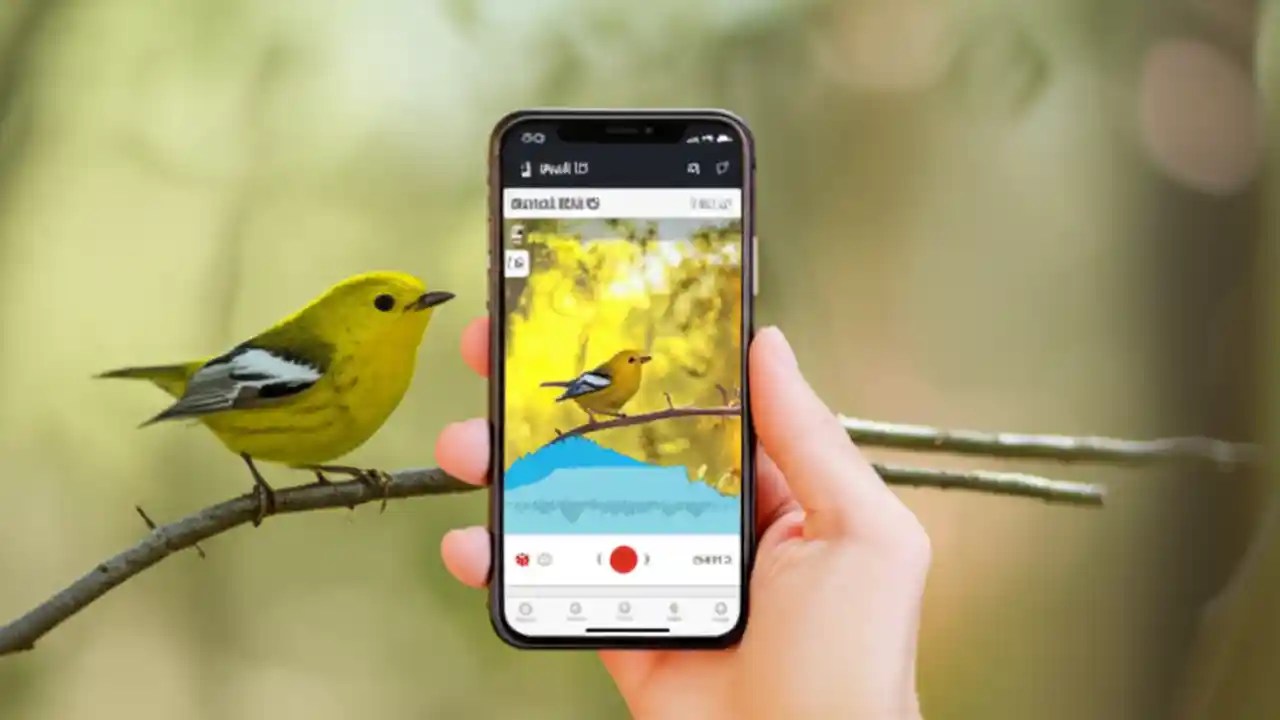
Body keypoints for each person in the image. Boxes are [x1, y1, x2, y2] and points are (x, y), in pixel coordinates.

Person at [436, 322, 932, 719]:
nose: (637, 365)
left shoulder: (627, 380)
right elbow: (587, 387)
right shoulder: (606, 376)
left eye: (636, 360)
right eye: (632, 360)